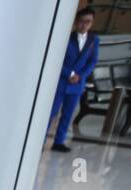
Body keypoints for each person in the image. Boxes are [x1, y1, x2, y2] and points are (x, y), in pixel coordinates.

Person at [50, 6, 99, 153]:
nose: (85, 25)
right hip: (62, 80)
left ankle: (59, 141)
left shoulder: (93, 40)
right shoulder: (67, 37)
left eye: (88, 22)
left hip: (78, 82)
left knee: (68, 114)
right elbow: (57, 59)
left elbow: (92, 61)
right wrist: (69, 74)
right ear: (76, 22)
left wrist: (80, 75)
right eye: (82, 21)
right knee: (51, 112)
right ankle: (40, 140)